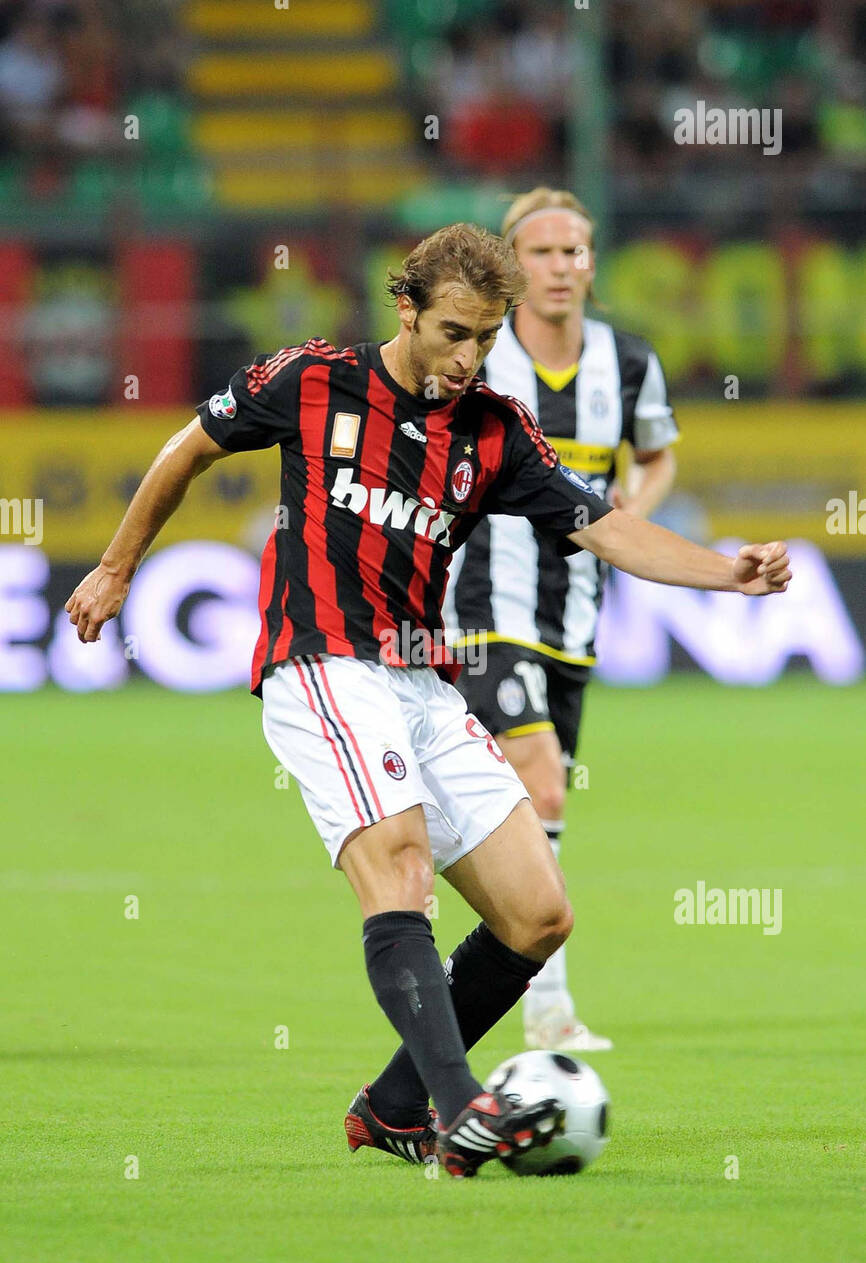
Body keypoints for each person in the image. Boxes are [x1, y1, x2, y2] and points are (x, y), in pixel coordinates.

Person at [65, 223, 791, 1178]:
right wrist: (116, 569)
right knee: (399, 864)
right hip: (321, 663)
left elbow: (609, 528)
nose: (469, 357)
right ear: (405, 308)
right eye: (455, 331)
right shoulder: (309, 378)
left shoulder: (494, 428)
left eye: (488, 337)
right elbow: (185, 450)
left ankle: (398, 1104)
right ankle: (462, 1111)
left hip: (423, 679)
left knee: (538, 915)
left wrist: (728, 571)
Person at [446, 188, 679, 1054]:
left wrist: (627, 518)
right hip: (480, 605)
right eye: (540, 253)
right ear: (512, 266)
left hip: (575, 612)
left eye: (573, 252)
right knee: (541, 783)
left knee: (539, 805)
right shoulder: (480, 355)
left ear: (591, 263)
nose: (559, 267)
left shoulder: (627, 363)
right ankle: (546, 1009)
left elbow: (655, 456)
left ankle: (485, 950)